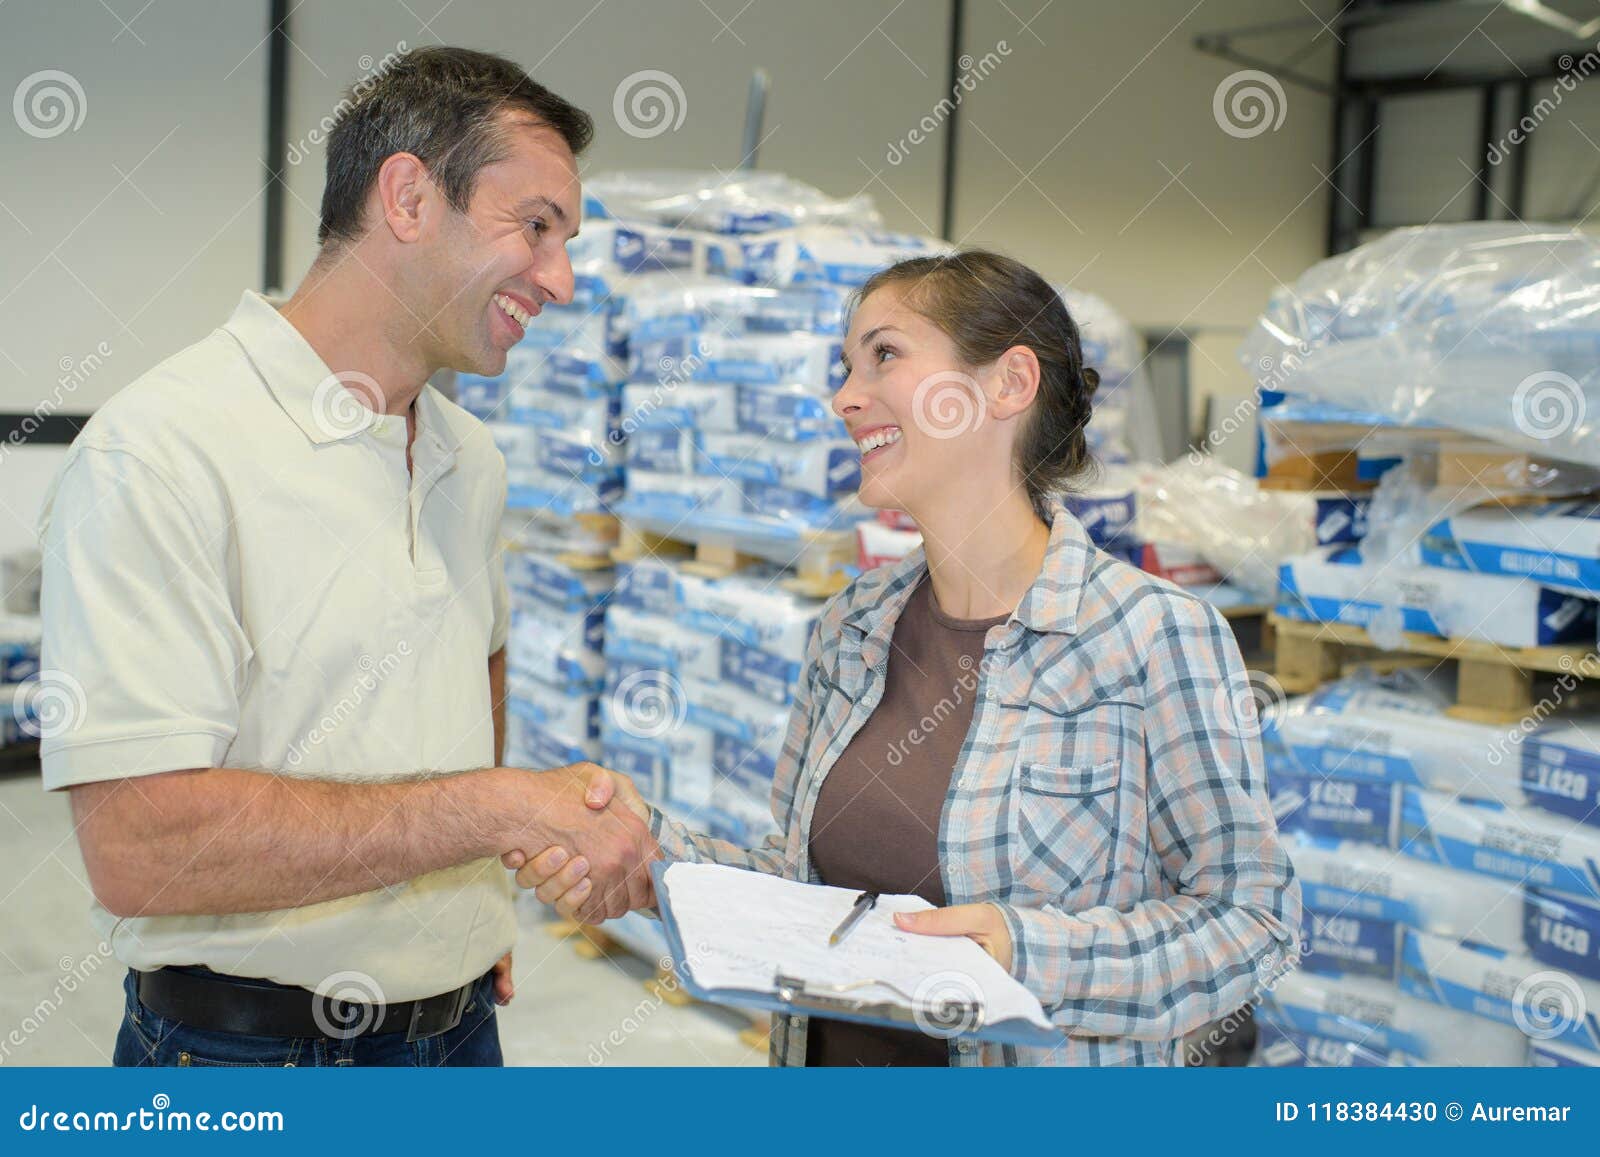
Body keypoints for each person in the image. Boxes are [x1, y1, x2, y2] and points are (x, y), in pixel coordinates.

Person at [518, 249, 1303, 1067]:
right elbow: (798, 887)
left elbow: (1252, 924)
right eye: (845, 366)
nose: (844, 398)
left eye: (884, 354)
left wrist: (1024, 951)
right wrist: (651, 858)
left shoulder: (1150, 637)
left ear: (1007, 384)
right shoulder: (853, 626)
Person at [37, 47, 657, 1068]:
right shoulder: (162, 449)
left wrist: (474, 904)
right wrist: (498, 807)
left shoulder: (471, 457)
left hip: (460, 1031)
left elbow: (473, 657)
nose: (561, 277)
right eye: (535, 227)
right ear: (409, 196)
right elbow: (140, 848)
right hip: (249, 1052)